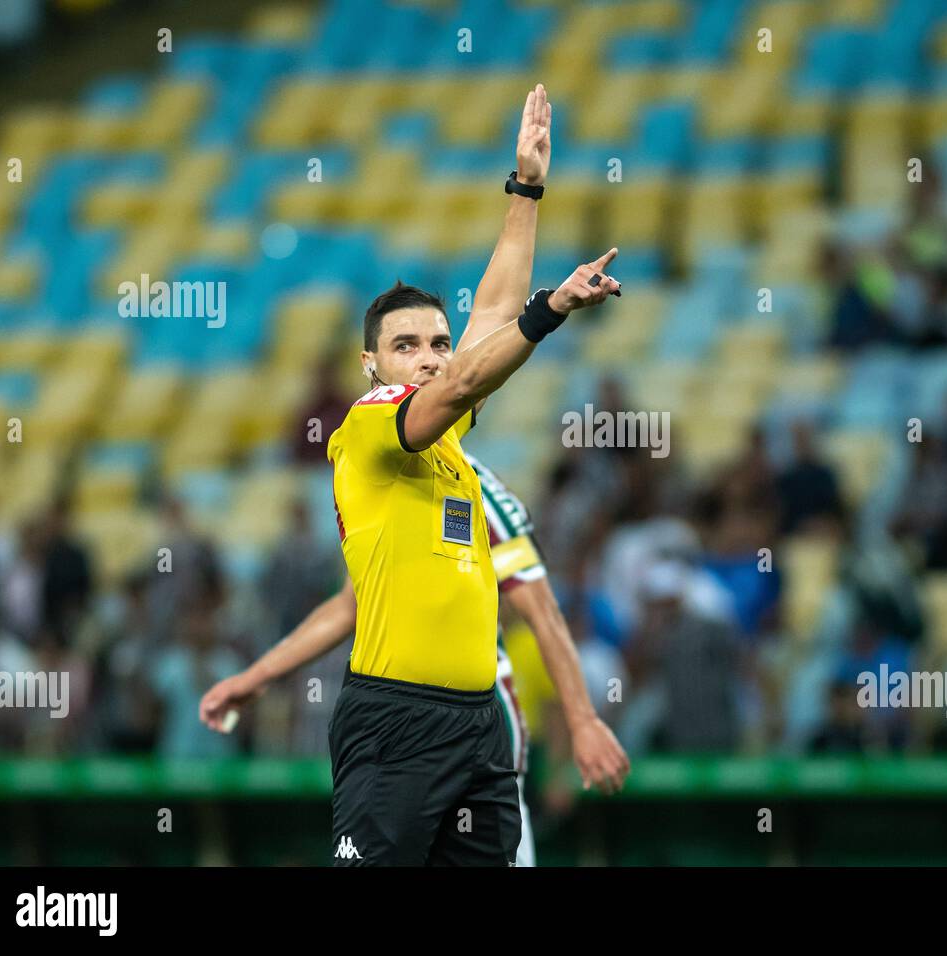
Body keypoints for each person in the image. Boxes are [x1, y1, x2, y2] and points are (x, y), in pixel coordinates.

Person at [205, 83, 619, 866]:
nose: (429, 356)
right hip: (394, 723)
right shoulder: (368, 428)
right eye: (407, 346)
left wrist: (526, 188)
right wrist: (552, 309)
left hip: (478, 726)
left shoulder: (451, 441)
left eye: (436, 342)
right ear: (371, 363)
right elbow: (470, 374)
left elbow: (488, 321)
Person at [200, 451, 629, 865]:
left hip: (476, 720)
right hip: (401, 725)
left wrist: (582, 721)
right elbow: (351, 605)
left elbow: (542, 610)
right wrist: (255, 678)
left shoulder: (481, 489)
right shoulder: (396, 477)